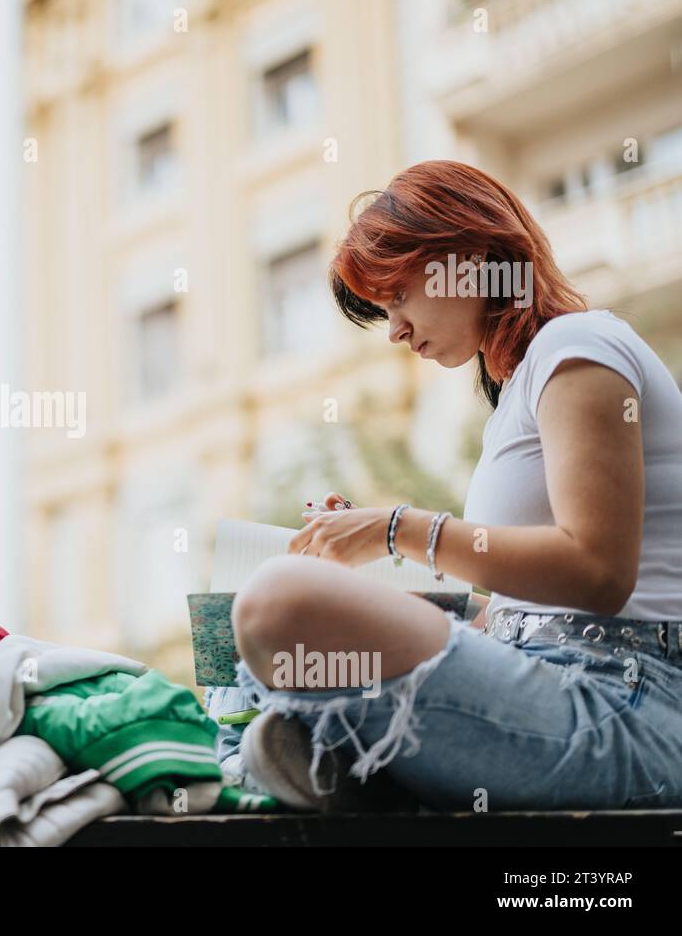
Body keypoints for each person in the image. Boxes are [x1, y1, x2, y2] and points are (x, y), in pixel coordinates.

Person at [215, 160, 682, 812]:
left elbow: (600, 574)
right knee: (252, 596)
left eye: (398, 296)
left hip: (627, 701)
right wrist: (374, 569)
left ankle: (331, 752)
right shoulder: (517, 396)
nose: (397, 331)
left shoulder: (578, 346)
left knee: (276, 600)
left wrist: (394, 528)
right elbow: (519, 612)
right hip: (550, 675)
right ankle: (336, 753)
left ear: (465, 256)